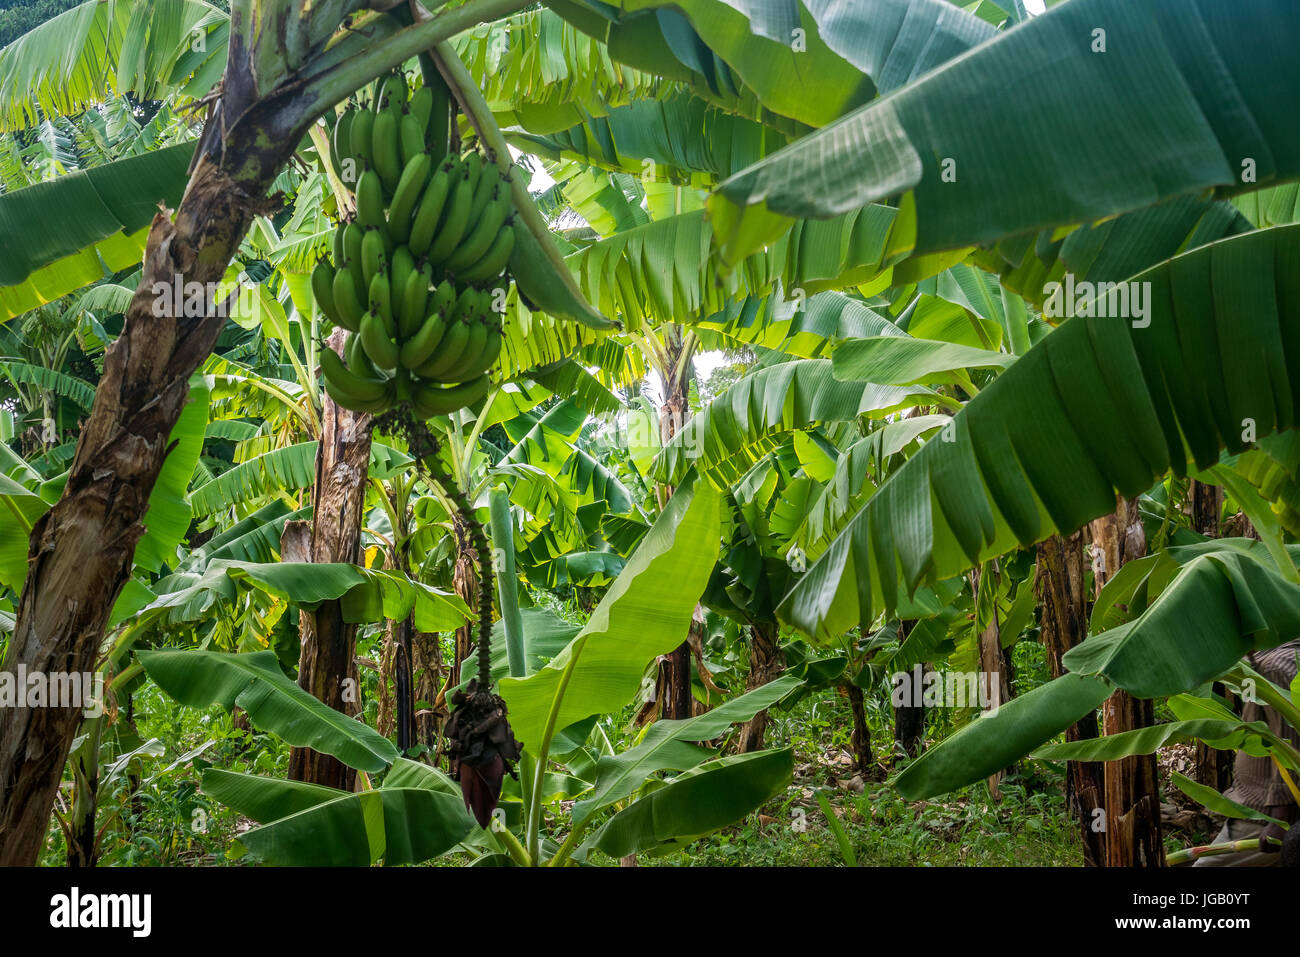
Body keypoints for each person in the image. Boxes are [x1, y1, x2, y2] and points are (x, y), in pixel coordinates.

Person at [1194, 639, 1300, 866]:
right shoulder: (1267, 658)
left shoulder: (1278, 666)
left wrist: (1279, 820)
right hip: (1258, 806)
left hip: (1267, 814)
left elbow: (1290, 745)